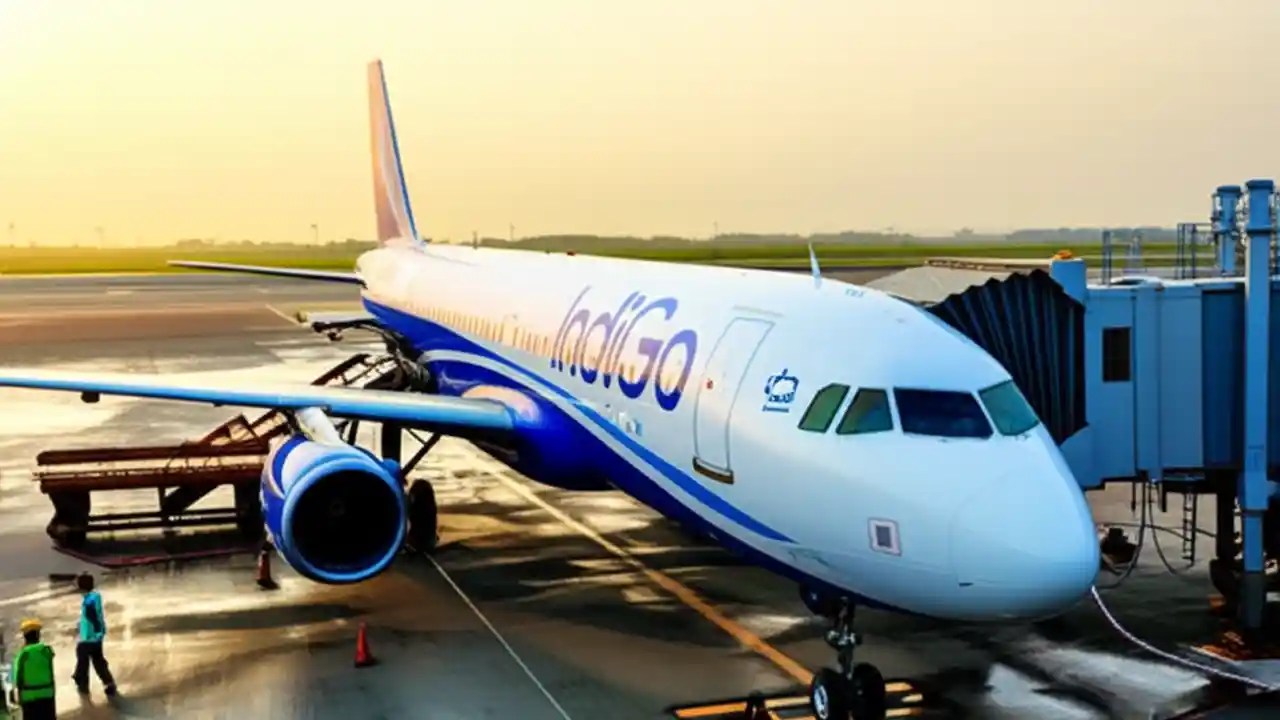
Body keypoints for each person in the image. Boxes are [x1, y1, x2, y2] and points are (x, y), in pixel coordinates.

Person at [72, 573, 116, 696]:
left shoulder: (89, 601)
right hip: (95, 637)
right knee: (98, 661)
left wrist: (95, 631)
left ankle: (81, 682)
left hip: (88, 638)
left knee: (83, 660)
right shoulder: (94, 597)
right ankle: (109, 682)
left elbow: (92, 616)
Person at [9, 618, 56, 720]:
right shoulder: (46, 651)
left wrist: (15, 695)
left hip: (29, 697)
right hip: (47, 694)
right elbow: (51, 673)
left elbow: (16, 678)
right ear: (38, 635)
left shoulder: (23, 654)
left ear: (25, 637)